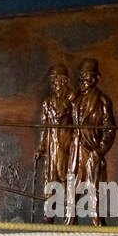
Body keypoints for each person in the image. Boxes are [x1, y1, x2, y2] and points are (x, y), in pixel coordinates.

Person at [68, 58, 116, 227]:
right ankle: (69, 223)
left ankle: (98, 226)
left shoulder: (102, 100)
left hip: (92, 150)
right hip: (76, 150)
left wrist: (100, 149)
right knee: (71, 186)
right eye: (82, 76)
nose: (84, 79)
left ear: (95, 78)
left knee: (94, 189)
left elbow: (109, 128)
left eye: (88, 76)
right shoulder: (75, 100)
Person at [34, 63, 75, 224]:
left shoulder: (72, 100)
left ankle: (69, 214)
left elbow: (68, 119)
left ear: (64, 81)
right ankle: (49, 214)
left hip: (66, 144)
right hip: (52, 145)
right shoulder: (48, 102)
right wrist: (42, 147)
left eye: (57, 80)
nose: (55, 84)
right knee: (50, 179)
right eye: (53, 81)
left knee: (65, 178)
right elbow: (45, 127)